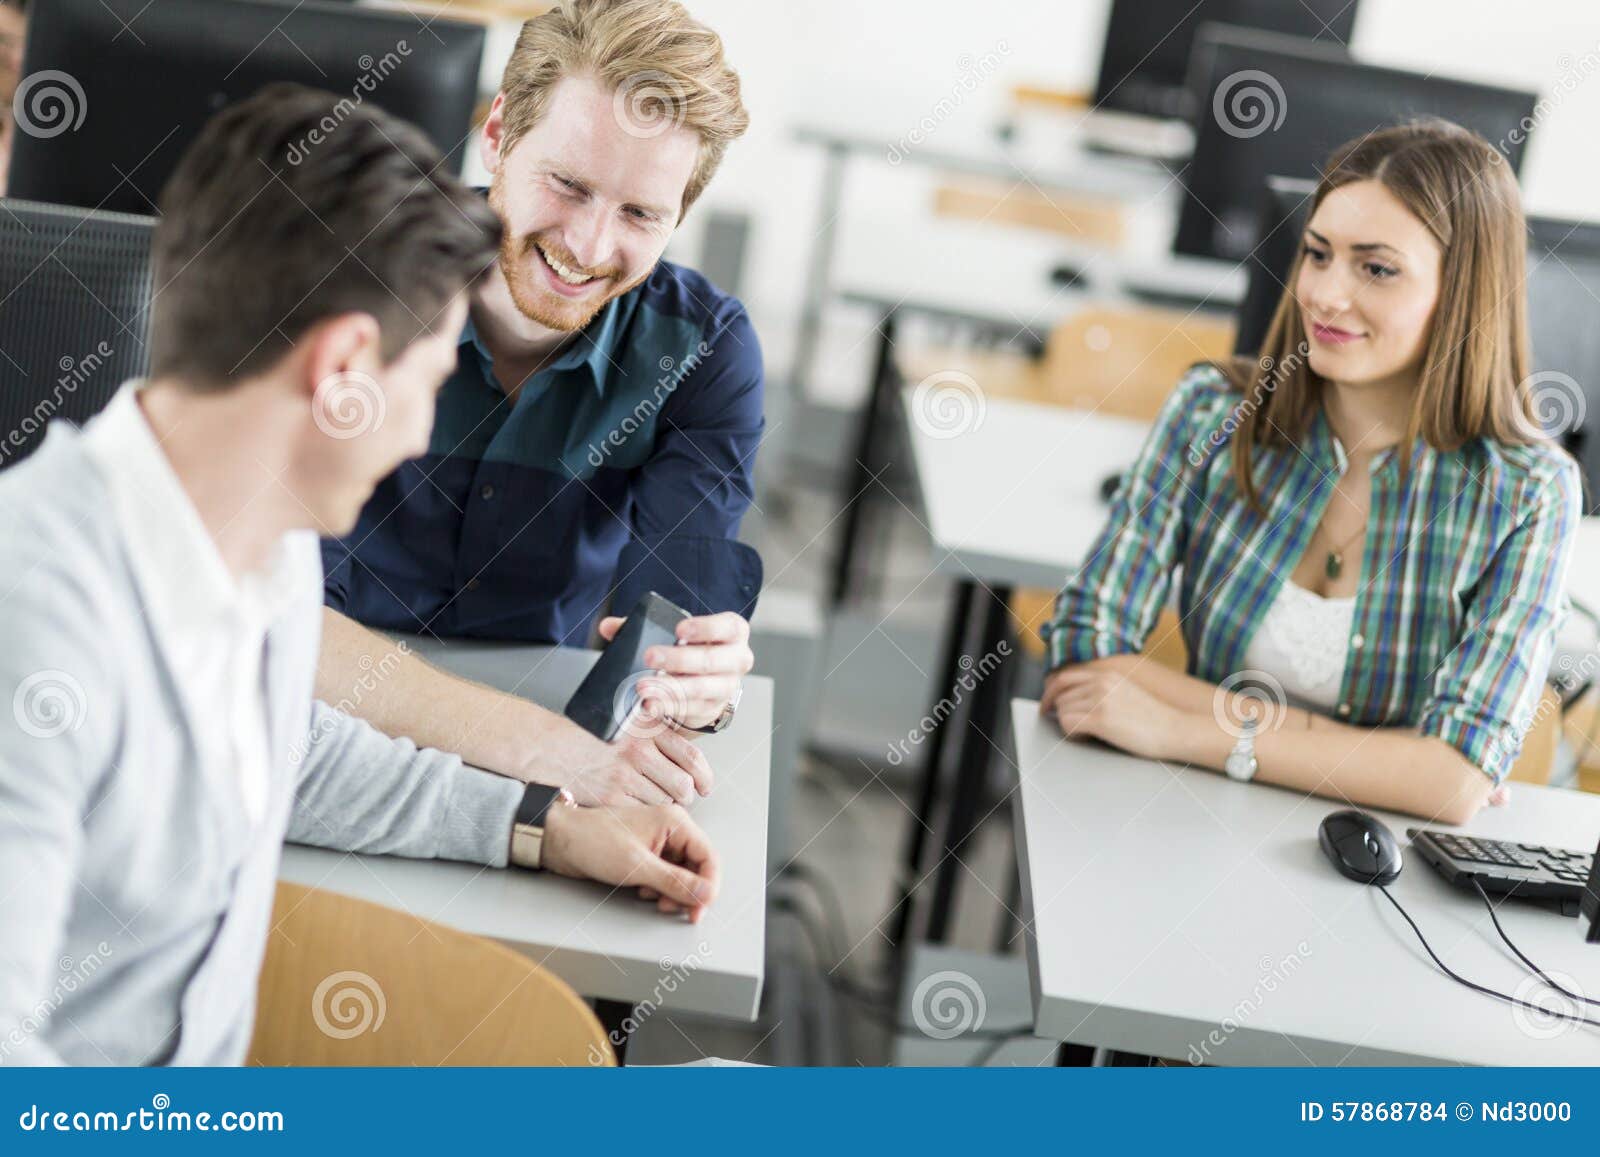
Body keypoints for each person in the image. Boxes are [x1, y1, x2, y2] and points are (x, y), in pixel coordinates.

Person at [0, 84, 718, 1068]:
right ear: (340, 367)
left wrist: (547, 825)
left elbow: (289, 749)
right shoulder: (34, 618)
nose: (425, 431)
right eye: (424, 384)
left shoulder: (266, 544)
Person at [1040, 119, 1580, 825]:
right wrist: (1388, 759)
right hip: (1179, 819)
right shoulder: (1213, 411)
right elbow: (1086, 658)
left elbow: (1451, 781)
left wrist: (1186, 728)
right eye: (1318, 254)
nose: (1325, 294)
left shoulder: (1529, 491)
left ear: (1463, 292)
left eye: (1376, 268)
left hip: (1373, 878)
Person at [317, 0, 760, 808]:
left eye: (639, 214)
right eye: (568, 184)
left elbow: (667, 627)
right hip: (324, 736)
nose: (588, 248)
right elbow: (274, 619)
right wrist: (533, 747)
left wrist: (700, 684)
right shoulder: (350, 284)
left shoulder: (702, 349)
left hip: (542, 762)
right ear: (496, 136)